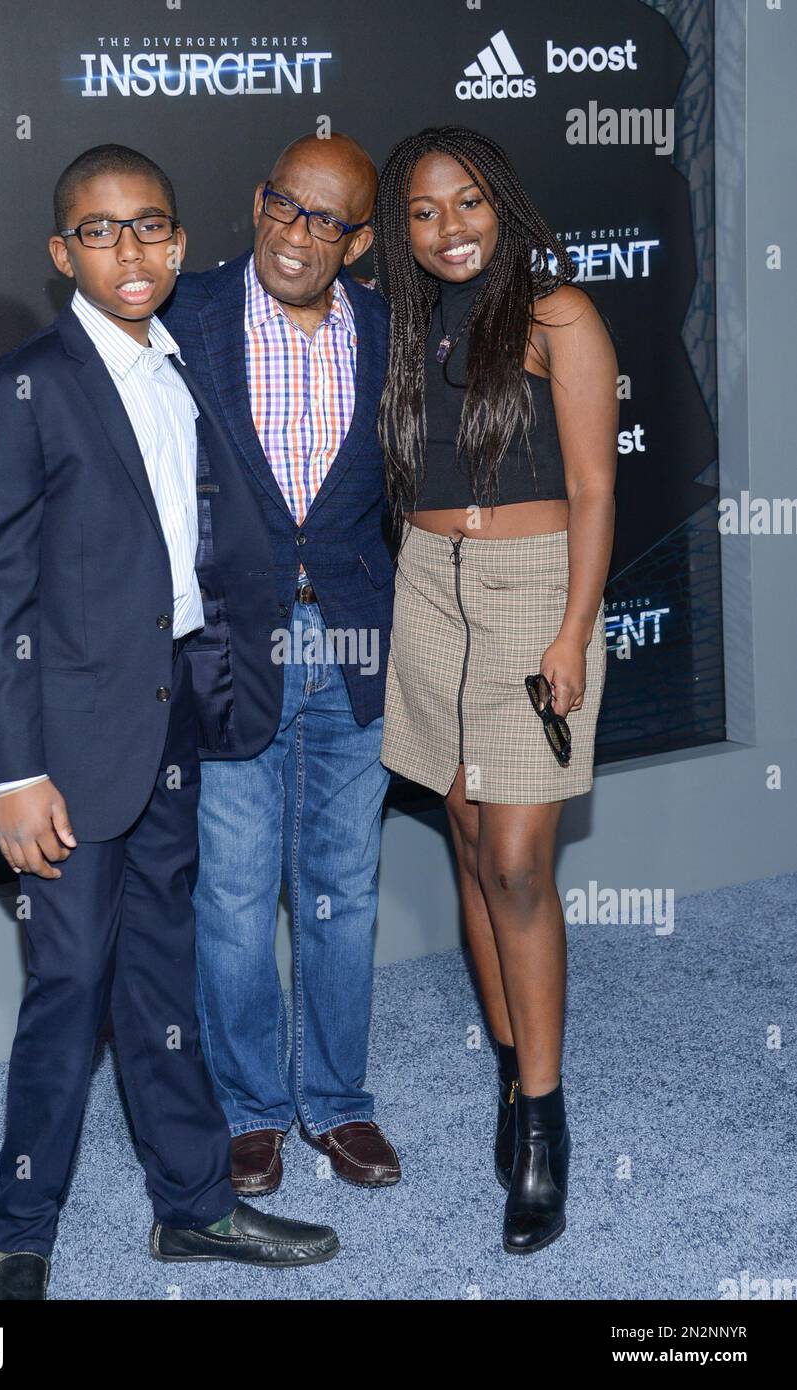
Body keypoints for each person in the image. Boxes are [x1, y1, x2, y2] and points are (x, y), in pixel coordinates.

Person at [0, 143, 340, 1299]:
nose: (131, 249)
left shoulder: (183, 371)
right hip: (64, 746)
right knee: (70, 986)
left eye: (152, 225)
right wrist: (13, 772)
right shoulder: (27, 387)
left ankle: (195, 1206)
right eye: (101, 229)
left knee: (162, 979)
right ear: (62, 251)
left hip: (171, 721)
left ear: (180, 241)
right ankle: (20, 1233)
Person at [373, 126, 617, 1253]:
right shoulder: (405, 322)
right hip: (429, 587)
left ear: (502, 202)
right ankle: (513, 1079)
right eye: (423, 211)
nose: (449, 228)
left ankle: (546, 1122)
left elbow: (593, 487)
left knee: (517, 862)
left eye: (467, 201)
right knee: (471, 848)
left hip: (535, 593)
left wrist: (572, 629)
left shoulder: (559, 315)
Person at [160, 133, 400, 1195]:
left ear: (360, 240)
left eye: (327, 220)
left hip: (359, 640)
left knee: (345, 886)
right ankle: (250, 1108)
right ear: (260, 200)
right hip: (229, 645)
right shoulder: (185, 314)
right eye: (285, 206)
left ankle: (339, 1104)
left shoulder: (390, 332)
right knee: (233, 894)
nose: (298, 234)